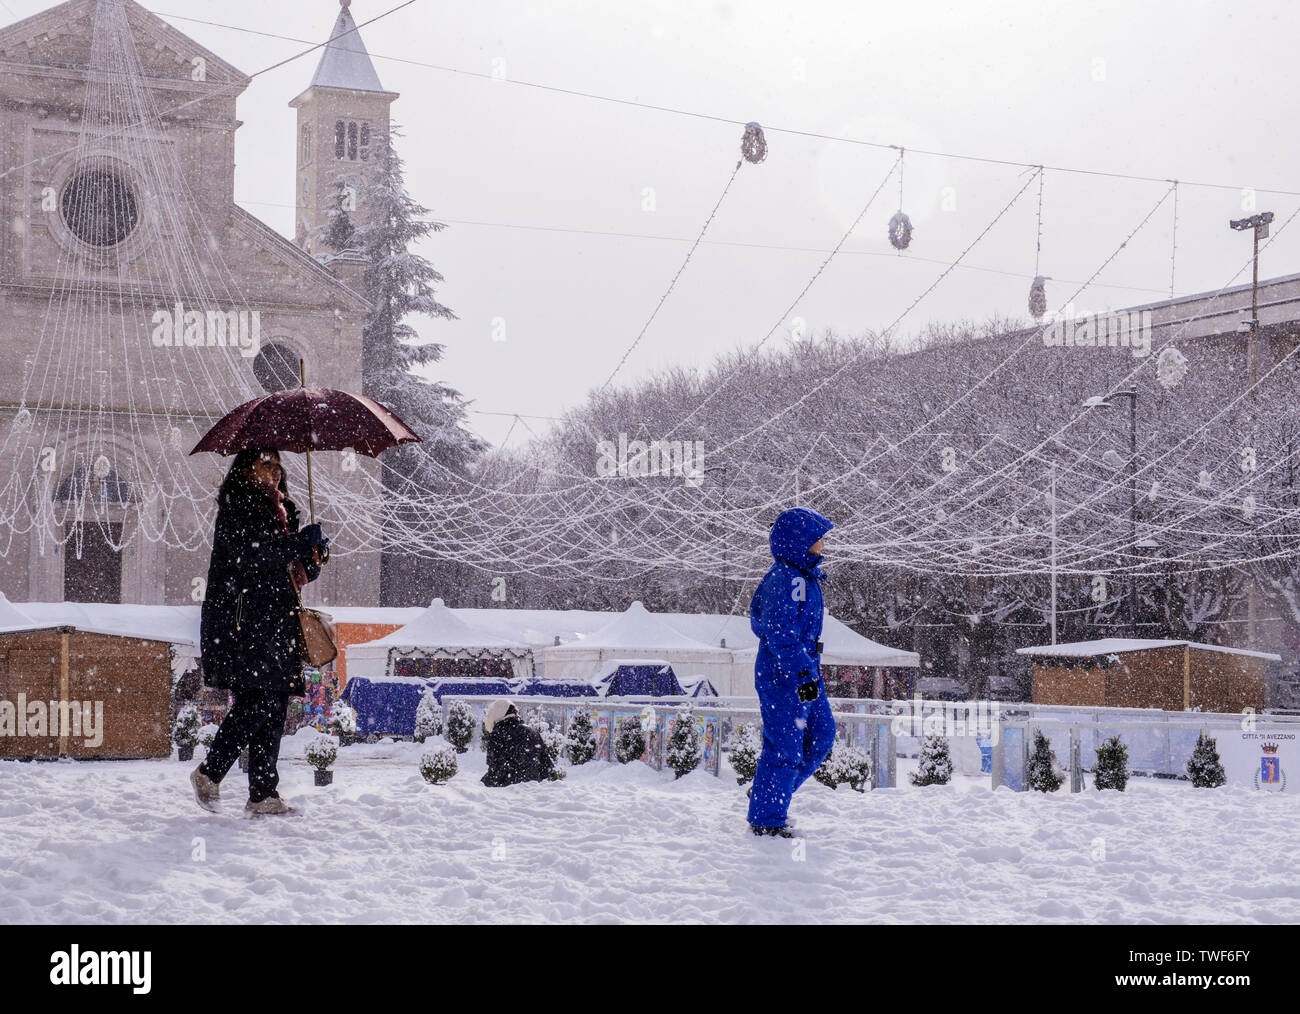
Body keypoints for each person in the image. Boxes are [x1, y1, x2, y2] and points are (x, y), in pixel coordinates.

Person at [190, 448, 329, 815]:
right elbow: (252, 557)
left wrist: (312, 555)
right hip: (244, 622)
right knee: (259, 701)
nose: (274, 470)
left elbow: (291, 568)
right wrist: (297, 544)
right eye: (264, 463)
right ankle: (210, 772)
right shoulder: (239, 506)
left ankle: (263, 794)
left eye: (277, 464)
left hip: (277, 619)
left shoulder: (284, 512)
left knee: (276, 701)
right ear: (245, 470)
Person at [746, 507, 837, 838]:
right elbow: (781, 634)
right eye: (818, 538)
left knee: (823, 734)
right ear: (800, 541)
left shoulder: (804, 577)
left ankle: (768, 795)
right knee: (784, 748)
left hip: (805, 673)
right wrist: (802, 675)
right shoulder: (786, 579)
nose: (824, 544)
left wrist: (808, 674)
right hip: (785, 677)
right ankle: (767, 820)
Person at [481, 700, 553, 786]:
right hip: (532, 790)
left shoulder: (498, 734)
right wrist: (533, 780)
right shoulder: (533, 733)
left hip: (507, 791)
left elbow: (495, 769)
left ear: (497, 714)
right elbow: (546, 765)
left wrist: (482, 785)